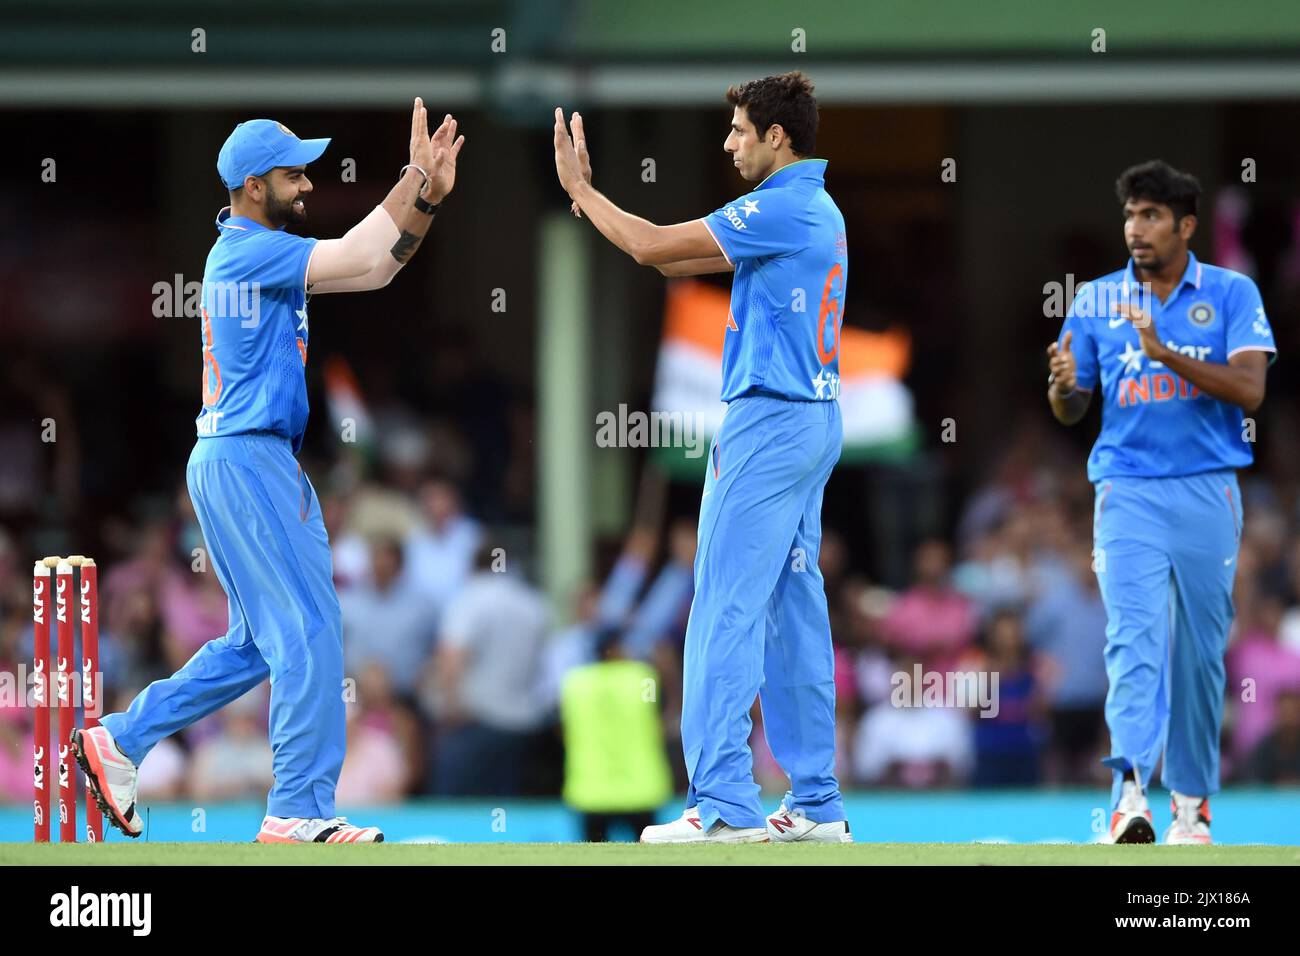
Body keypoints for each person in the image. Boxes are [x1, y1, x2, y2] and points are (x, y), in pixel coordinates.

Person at [72, 100, 465, 844]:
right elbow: (354, 251)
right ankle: (299, 811)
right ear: (253, 185)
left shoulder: (260, 253)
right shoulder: (247, 250)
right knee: (310, 630)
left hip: (239, 458)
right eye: (293, 174)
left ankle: (119, 740)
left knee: (257, 644)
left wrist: (427, 201)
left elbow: (376, 269)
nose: (307, 184)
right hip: (250, 458)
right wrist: (414, 176)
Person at [553, 71, 850, 843]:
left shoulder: (781, 205)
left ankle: (722, 804)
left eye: (740, 131)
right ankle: (816, 804)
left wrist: (583, 192)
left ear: (777, 138)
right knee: (794, 608)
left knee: (723, 604)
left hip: (768, 421)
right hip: (815, 417)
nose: (728, 143)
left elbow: (654, 249)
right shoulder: (822, 205)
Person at [1047, 160, 1276, 844]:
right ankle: (1130, 794)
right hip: (1128, 491)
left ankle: (1193, 803)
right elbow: (1070, 408)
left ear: (1186, 225)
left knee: (1202, 654)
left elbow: (1250, 391)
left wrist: (1166, 352)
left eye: (1150, 216)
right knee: (1134, 638)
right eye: (1129, 216)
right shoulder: (1094, 301)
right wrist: (1062, 386)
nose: (1135, 229)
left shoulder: (1232, 293)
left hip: (1209, 488)